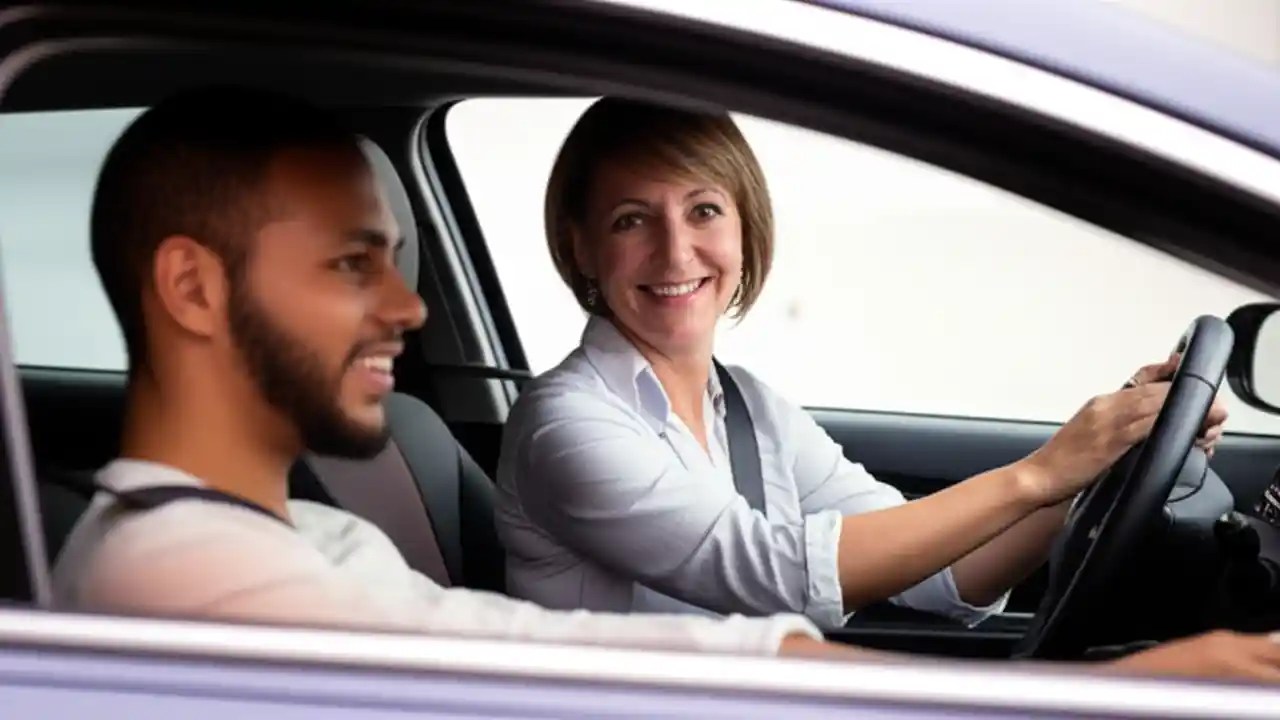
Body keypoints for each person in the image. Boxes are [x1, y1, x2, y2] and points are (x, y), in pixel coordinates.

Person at [48, 86, 1280, 681]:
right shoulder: (182, 571)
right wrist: (1099, 670)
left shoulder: (298, 531)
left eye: (703, 212)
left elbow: (911, 563)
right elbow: (662, 628)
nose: (412, 308)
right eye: (348, 265)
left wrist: (1088, 490)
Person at [495, 97, 1223, 629]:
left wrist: (1089, 477)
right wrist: (1040, 470)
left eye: (704, 211)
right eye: (632, 220)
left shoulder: (747, 407)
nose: (677, 251)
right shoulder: (566, 427)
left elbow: (937, 572)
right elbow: (771, 573)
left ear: (746, 226)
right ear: (582, 246)